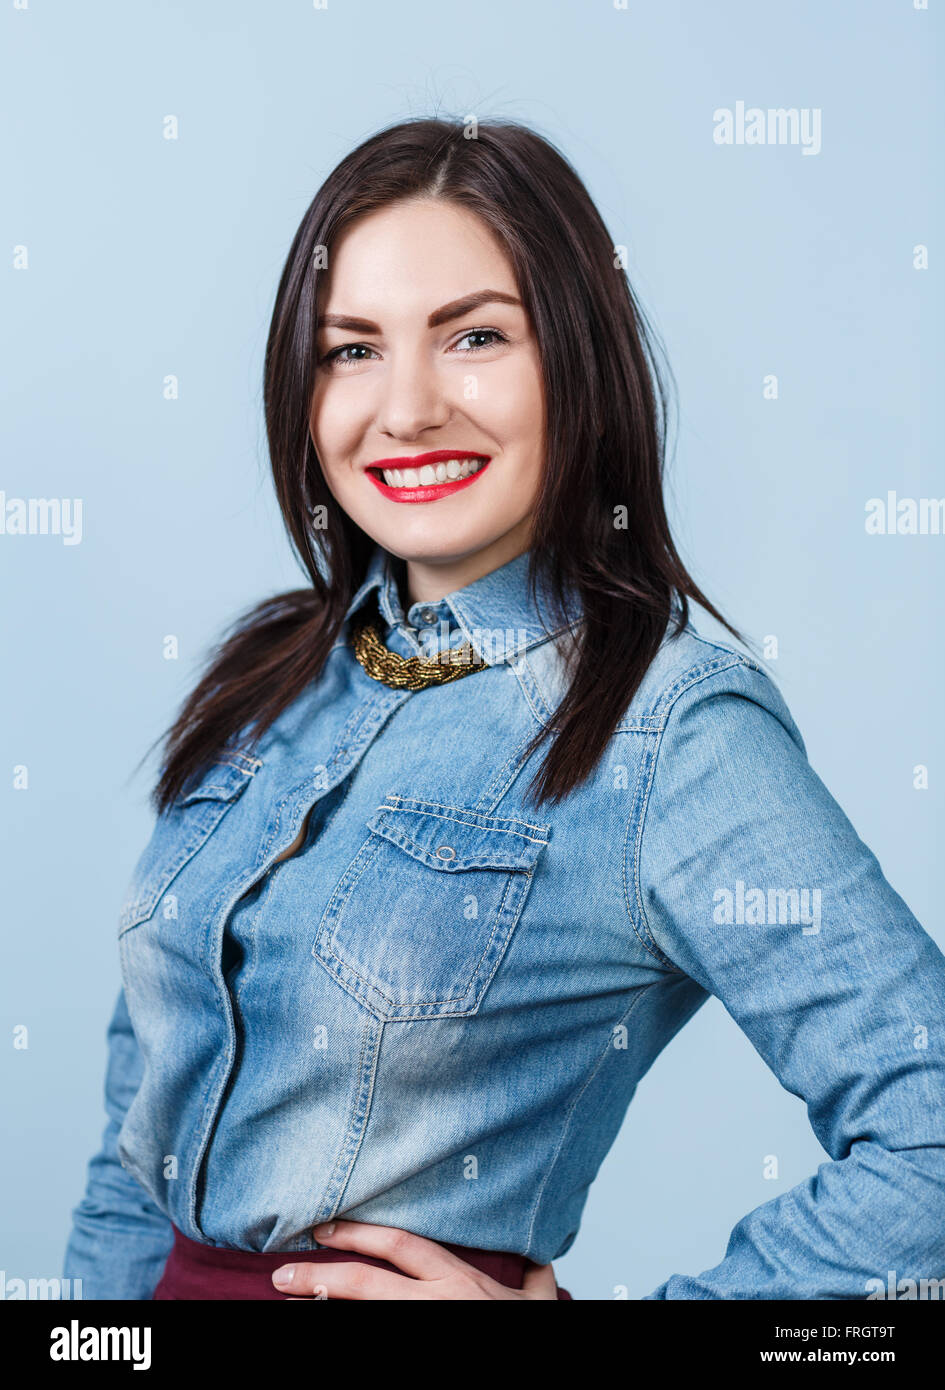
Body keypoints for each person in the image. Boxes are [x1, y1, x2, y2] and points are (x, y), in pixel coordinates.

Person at [64, 117, 945, 1301]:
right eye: (352, 350)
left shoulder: (669, 727)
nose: (410, 407)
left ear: (576, 358)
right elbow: (134, 1144)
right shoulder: (262, 675)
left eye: (474, 336)